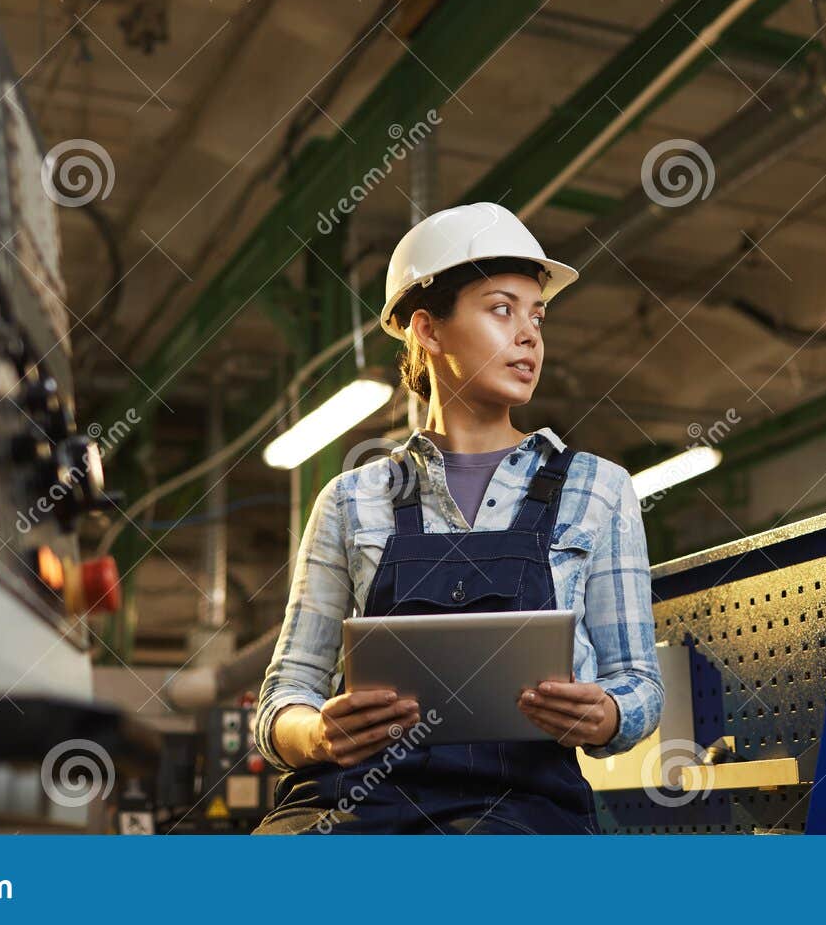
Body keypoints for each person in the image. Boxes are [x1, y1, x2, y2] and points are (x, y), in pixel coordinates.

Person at [251, 201, 663, 834]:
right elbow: (285, 696)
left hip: (521, 809)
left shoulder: (597, 489)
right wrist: (318, 733)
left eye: (537, 314)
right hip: (353, 806)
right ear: (429, 330)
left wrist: (607, 715)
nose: (529, 335)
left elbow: (637, 681)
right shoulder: (350, 499)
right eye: (501, 309)